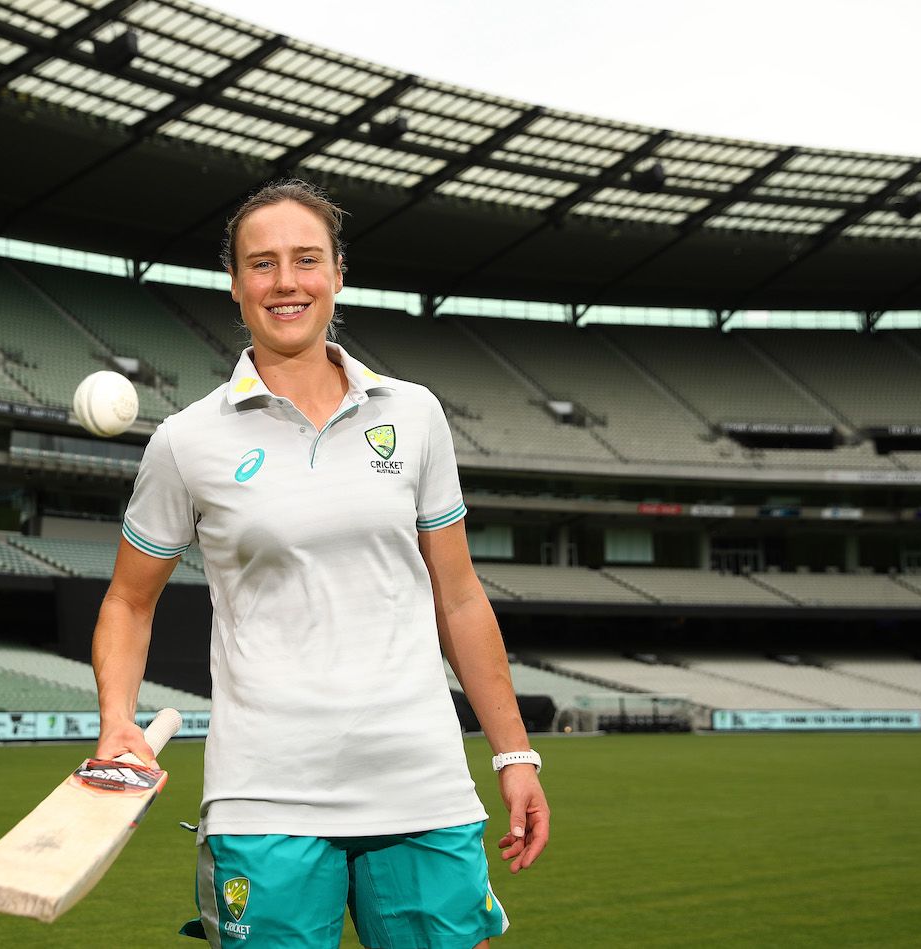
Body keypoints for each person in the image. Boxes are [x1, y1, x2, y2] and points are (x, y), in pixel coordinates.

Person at [93, 179, 549, 948]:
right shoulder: (185, 439)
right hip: (266, 797)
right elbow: (127, 602)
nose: (286, 281)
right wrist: (115, 724)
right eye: (261, 264)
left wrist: (513, 751)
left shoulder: (415, 413)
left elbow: (461, 599)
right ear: (236, 286)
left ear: (338, 273)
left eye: (306, 259)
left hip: (421, 786)